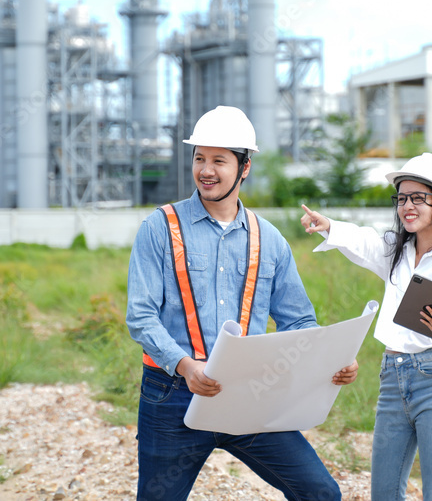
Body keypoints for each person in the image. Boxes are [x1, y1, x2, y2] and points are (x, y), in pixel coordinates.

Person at [126, 105, 358, 501]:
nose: (206, 170)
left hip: (250, 394)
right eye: (200, 158)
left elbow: (298, 319)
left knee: (320, 493)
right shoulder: (159, 227)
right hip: (172, 396)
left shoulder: (269, 239)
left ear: (244, 167)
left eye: (219, 160)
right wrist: (185, 365)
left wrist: (331, 359)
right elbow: (141, 317)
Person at [300, 152, 432, 501]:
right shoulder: (395, 252)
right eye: (402, 198)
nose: (407, 206)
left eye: (419, 198)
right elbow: (363, 240)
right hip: (392, 379)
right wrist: (329, 226)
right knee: (384, 493)